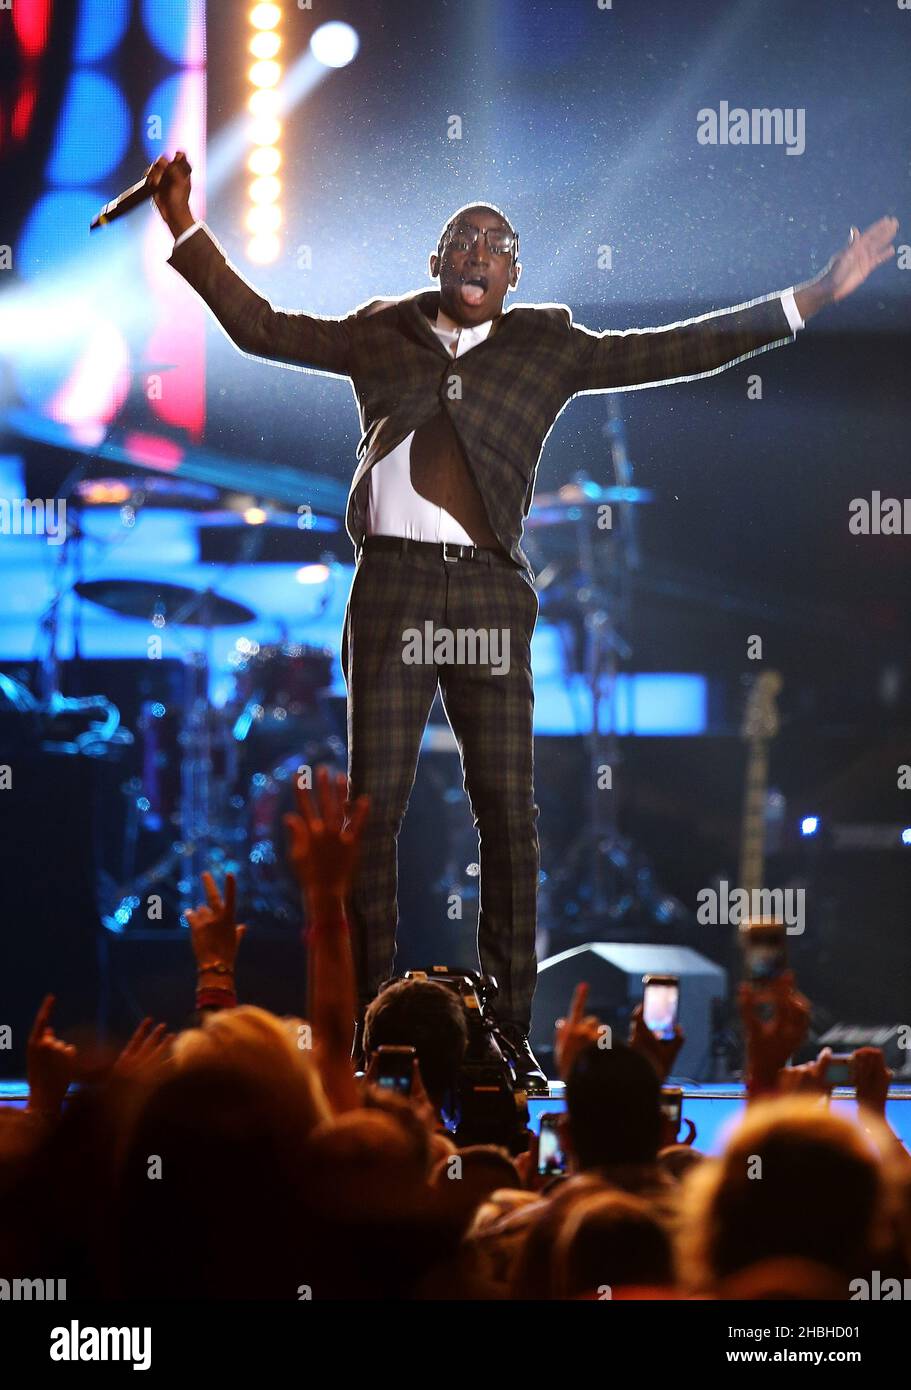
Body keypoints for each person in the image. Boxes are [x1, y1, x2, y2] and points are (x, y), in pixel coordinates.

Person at [147, 150, 898, 1089]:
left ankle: (502, 1033)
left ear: (513, 276)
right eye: (462, 239)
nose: (477, 251)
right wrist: (185, 226)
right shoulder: (379, 329)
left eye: (496, 246)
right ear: (434, 262)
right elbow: (261, 329)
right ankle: (374, 1030)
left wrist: (813, 297)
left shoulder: (550, 342)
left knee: (509, 813)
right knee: (373, 813)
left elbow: (674, 349)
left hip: (489, 593)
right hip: (390, 586)